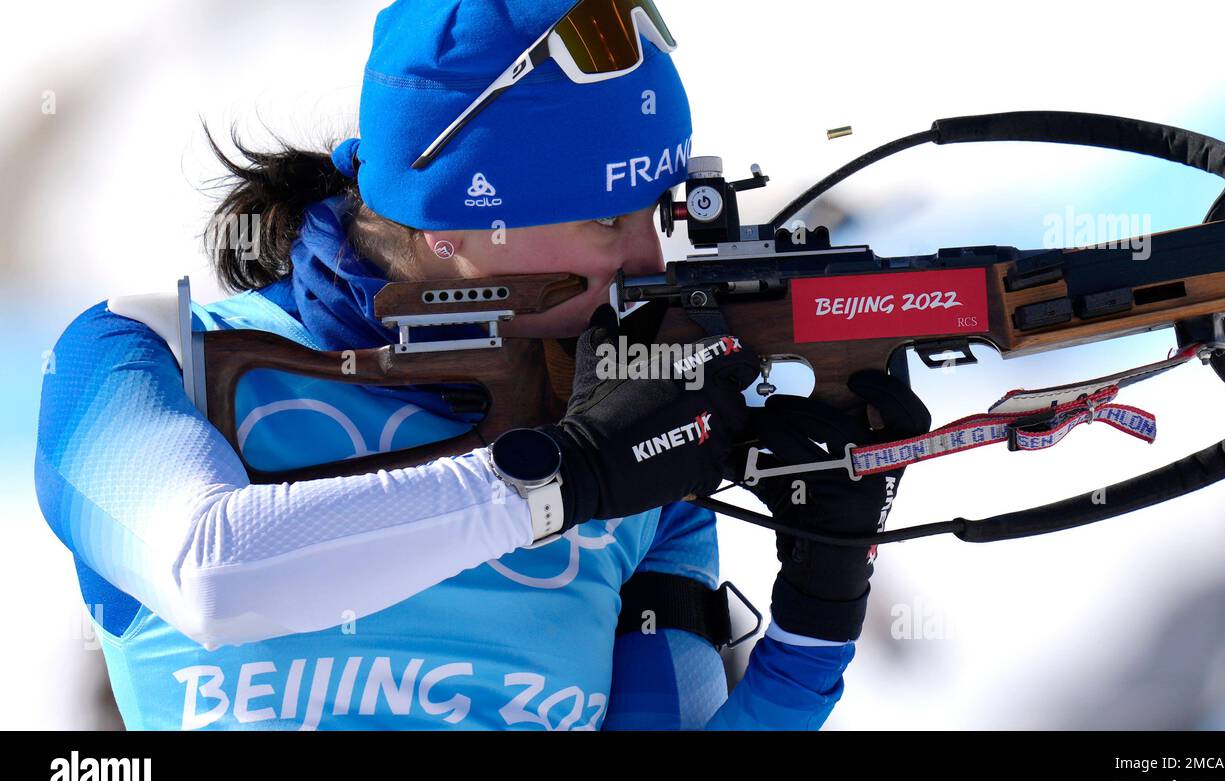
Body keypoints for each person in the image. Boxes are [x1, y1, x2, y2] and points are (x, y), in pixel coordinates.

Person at [35, 0, 928, 730]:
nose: (650, 261)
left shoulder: (630, 445)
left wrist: (816, 625)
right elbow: (215, 572)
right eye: (608, 221)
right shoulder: (142, 356)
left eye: (655, 215)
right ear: (450, 225)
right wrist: (559, 478)